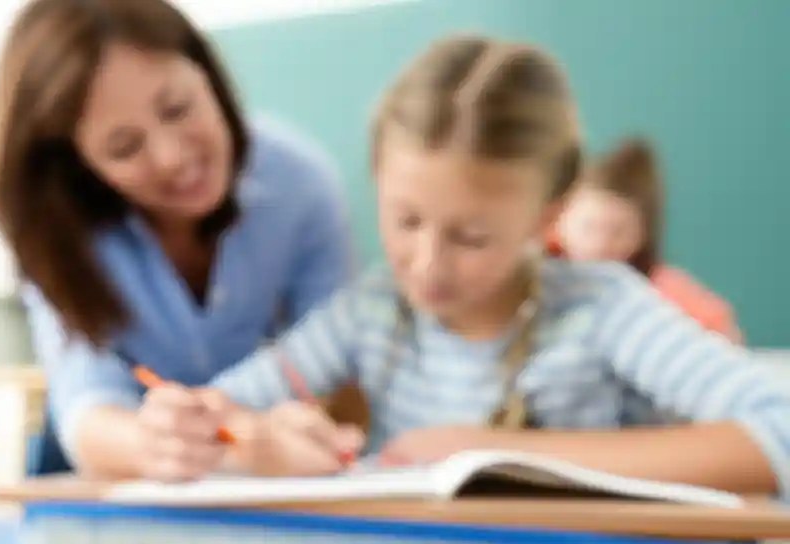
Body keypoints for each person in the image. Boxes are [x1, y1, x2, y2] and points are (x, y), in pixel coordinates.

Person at [138, 34, 790, 498]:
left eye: (472, 237)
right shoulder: (372, 310)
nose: (426, 264)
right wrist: (232, 428)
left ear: (547, 217)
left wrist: (497, 456)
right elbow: (225, 403)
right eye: (405, 221)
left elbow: (778, 432)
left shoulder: (601, 308)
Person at [0, 0, 360, 480]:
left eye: (178, 108)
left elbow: (334, 361)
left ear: (206, 73)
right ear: (77, 163)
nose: (170, 157)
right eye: (124, 147)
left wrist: (276, 429)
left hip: (282, 474)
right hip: (124, 483)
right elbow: (86, 407)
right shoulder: (58, 229)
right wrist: (157, 442)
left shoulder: (300, 185)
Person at [554, 138, 743, 342]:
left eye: (618, 231)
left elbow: (725, 333)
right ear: (558, 221)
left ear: (642, 234)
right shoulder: (539, 272)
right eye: (589, 227)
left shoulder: (656, 288)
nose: (600, 244)